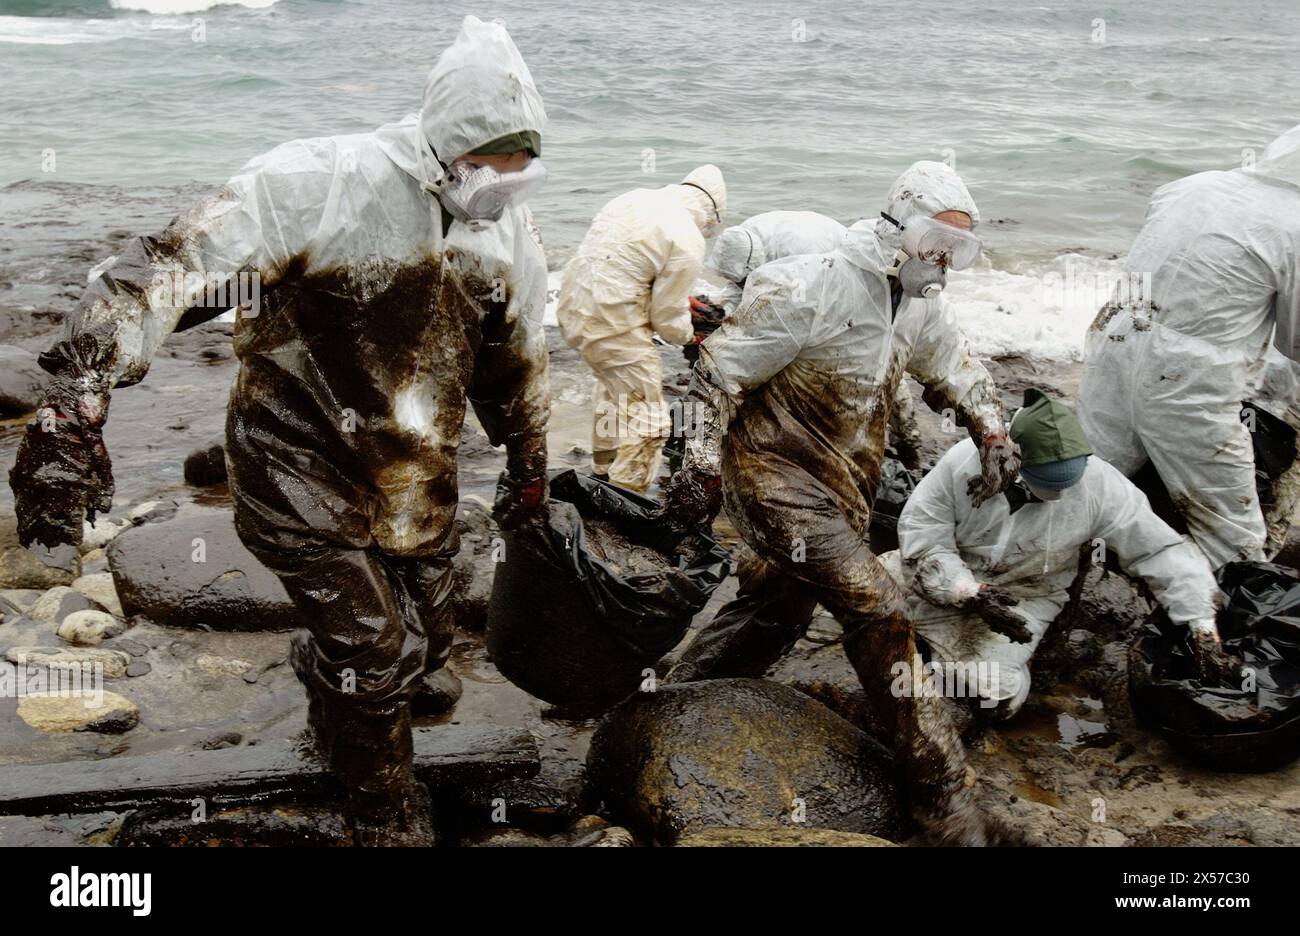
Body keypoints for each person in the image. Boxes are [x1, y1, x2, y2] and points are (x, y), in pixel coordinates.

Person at [9, 15, 551, 845]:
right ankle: (379, 809)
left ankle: (329, 684)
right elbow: (172, 267)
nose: (507, 180)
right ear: (448, 142)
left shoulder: (505, 235)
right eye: (494, 161)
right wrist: (80, 395)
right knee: (375, 651)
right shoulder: (318, 182)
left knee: (426, 641)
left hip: (411, 477)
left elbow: (515, 358)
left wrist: (529, 460)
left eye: (523, 164)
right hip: (293, 458)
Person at [663, 161, 1021, 844]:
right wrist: (701, 467)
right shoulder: (808, 287)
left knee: (781, 605)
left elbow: (956, 367)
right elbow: (714, 375)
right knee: (877, 608)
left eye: (960, 248)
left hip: (841, 488)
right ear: (897, 227)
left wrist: (993, 431)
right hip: (772, 478)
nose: (947, 258)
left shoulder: (918, 307)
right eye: (938, 240)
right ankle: (941, 793)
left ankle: (674, 699)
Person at [885, 389, 1227, 720]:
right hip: (938, 576)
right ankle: (928, 648)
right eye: (1048, 482)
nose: (1060, 494)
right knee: (844, 597)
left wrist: (1200, 624)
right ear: (1014, 459)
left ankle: (1010, 662)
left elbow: (1159, 550)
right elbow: (923, 536)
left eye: (1067, 483)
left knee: (989, 695)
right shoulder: (963, 464)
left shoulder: (1101, 486)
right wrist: (965, 590)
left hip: (1024, 598)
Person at [1079, 123, 1300, 569]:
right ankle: (1212, 629)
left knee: (1088, 489)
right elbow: (1294, 342)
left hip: (1115, 340)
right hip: (1190, 381)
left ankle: (1048, 584)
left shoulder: (1190, 185)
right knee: (1231, 538)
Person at [697, 210, 925, 468]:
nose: (738, 283)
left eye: (741, 279)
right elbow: (742, 289)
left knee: (876, 365)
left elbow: (795, 315)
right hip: (817, 281)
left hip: (854, 286)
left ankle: (908, 442)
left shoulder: (802, 256)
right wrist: (720, 315)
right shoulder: (742, 241)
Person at [556, 165, 727, 493]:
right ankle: (624, 497)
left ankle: (602, 470)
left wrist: (671, 298)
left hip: (573, 307)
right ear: (711, 216)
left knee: (612, 391)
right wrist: (690, 336)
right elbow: (666, 318)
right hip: (612, 324)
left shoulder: (634, 199)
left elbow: (623, 264)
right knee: (652, 424)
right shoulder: (689, 238)